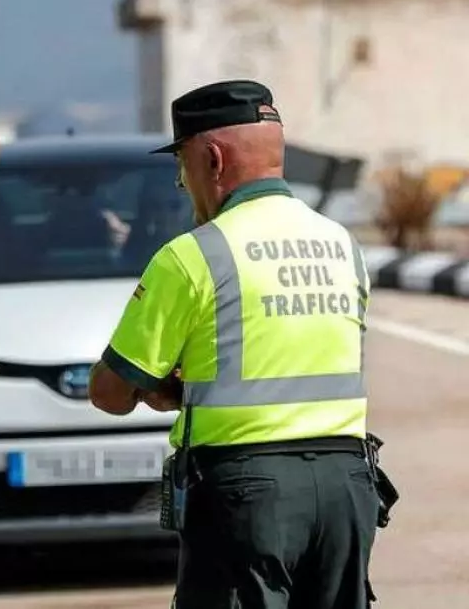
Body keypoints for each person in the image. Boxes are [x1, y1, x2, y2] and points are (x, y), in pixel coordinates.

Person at [86, 80, 387, 608]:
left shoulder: (194, 256)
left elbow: (111, 392)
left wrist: (164, 389)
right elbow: (291, 355)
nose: (183, 182)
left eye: (183, 165)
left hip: (247, 493)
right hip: (346, 487)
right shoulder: (344, 246)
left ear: (213, 158)